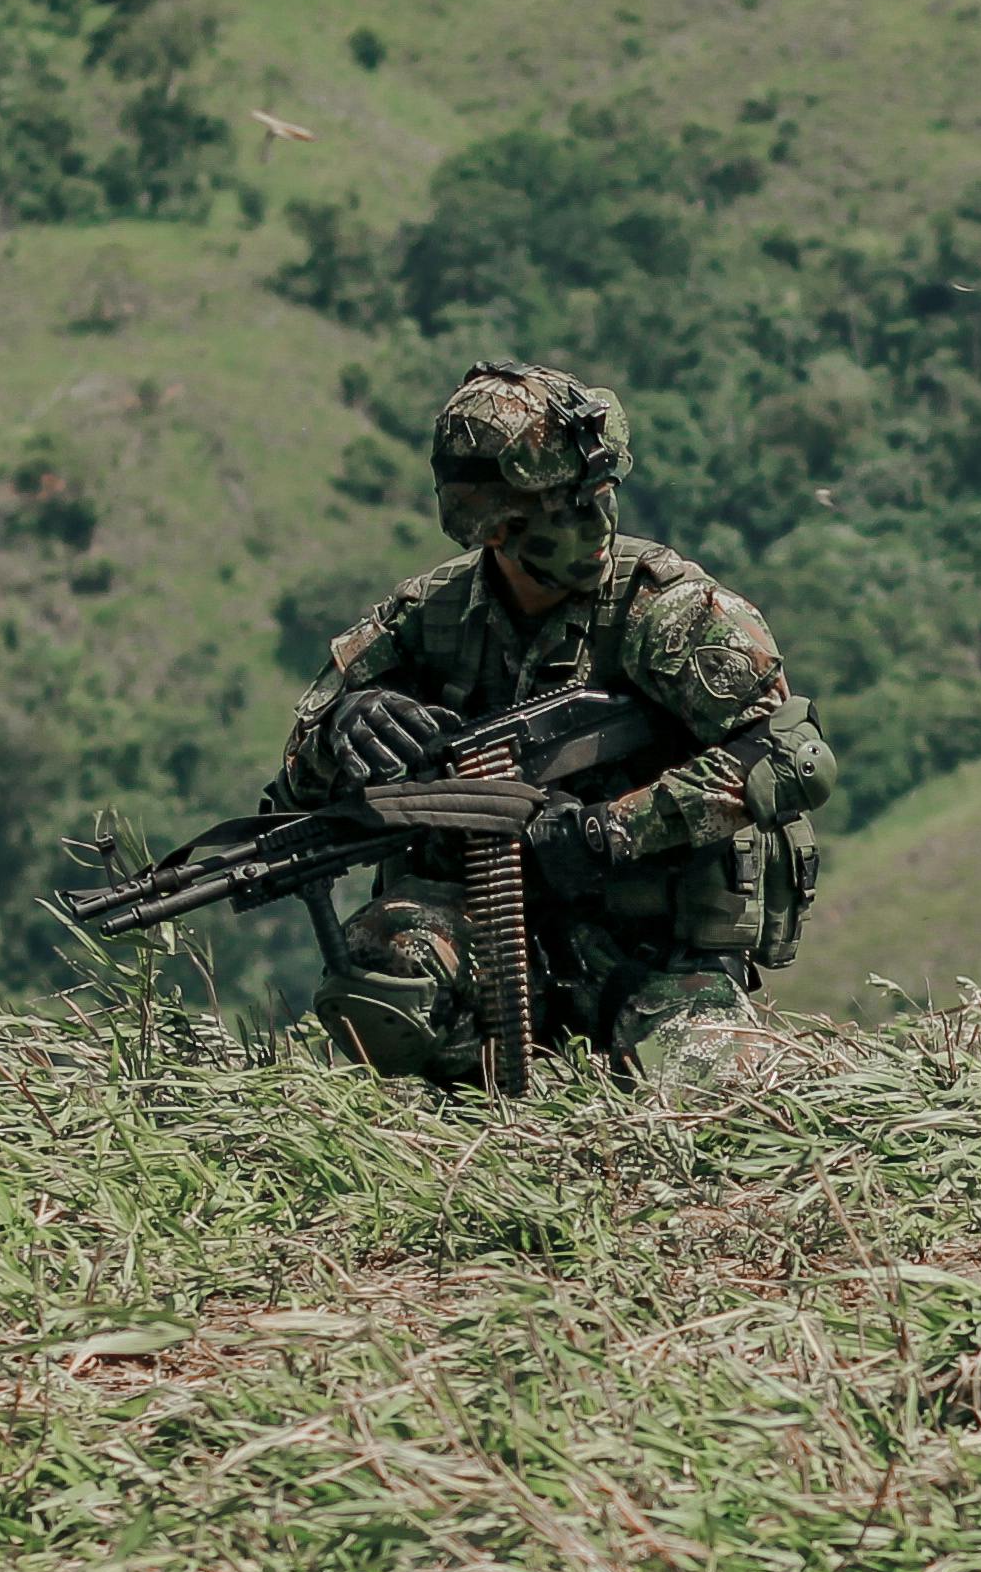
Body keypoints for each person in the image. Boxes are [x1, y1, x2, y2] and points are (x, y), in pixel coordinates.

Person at [276, 359, 831, 1086]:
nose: (596, 524)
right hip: (493, 941)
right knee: (381, 973)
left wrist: (612, 830)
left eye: (601, 497)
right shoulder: (425, 622)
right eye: (563, 510)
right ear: (495, 526)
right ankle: (466, 1102)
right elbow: (291, 794)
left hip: (659, 959)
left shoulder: (668, 613)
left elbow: (793, 757)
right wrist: (346, 727)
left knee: (720, 1098)